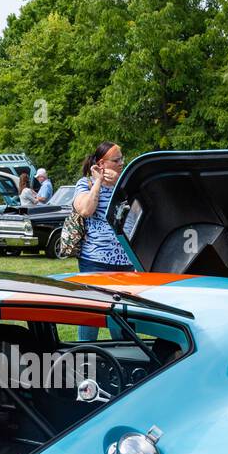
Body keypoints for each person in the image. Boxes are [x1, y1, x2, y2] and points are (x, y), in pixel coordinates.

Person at [72, 141, 132, 340]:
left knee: (121, 318)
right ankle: (84, 357)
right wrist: (97, 182)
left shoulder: (127, 185)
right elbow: (85, 210)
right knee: (91, 314)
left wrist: (120, 184)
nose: (122, 163)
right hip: (94, 261)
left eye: (122, 158)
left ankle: (123, 358)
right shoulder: (85, 184)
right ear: (102, 164)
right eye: (117, 160)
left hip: (125, 262)